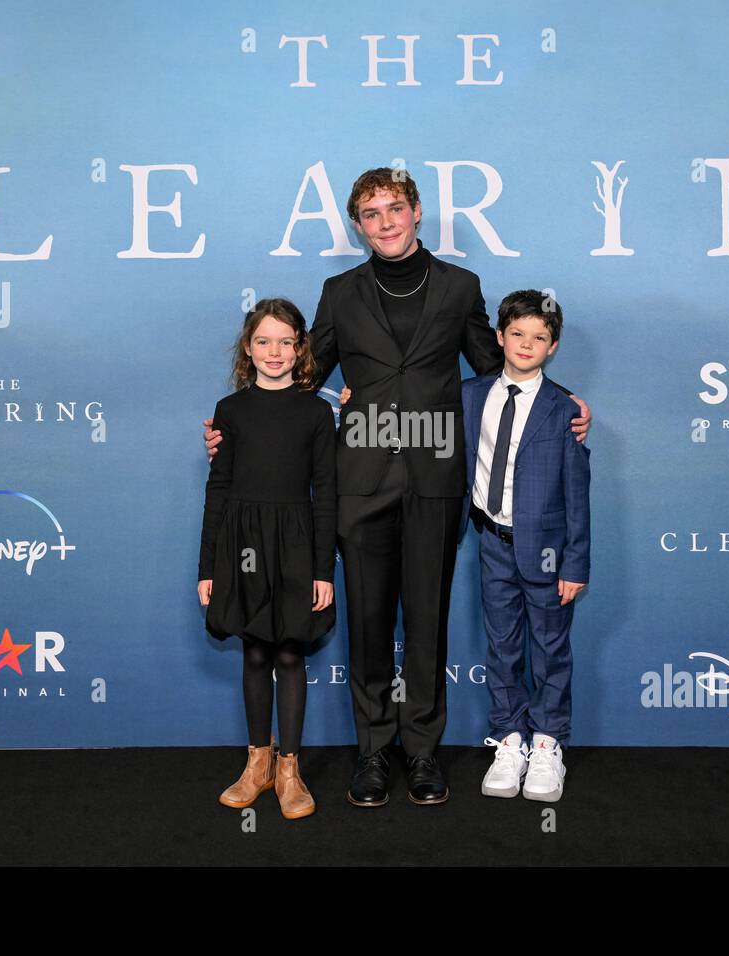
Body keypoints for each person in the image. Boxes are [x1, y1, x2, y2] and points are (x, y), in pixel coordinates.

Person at [206, 168, 591, 808]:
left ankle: (421, 753)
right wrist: (238, 431)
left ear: (416, 212)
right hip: (359, 482)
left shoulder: (461, 286)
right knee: (367, 623)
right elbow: (301, 378)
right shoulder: (339, 291)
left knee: (427, 622)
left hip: (438, 482)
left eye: (394, 209)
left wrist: (560, 401)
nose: (384, 222)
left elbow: (502, 363)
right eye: (370, 213)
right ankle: (373, 753)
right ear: (358, 225)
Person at [197, 298, 337, 820]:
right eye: (263, 341)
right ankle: (257, 762)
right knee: (255, 651)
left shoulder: (317, 412)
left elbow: (327, 493)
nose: (273, 351)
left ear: (300, 347)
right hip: (241, 546)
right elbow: (218, 488)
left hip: (296, 545)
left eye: (285, 341)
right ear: (247, 348)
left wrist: (324, 569)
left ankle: (289, 769)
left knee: (289, 654)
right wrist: (208, 567)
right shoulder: (230, 411)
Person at [463, 290, 590, 802]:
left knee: (551, 648)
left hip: (548, 551)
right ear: (499, 337)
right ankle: (510, 738)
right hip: (492, 540)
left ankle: (547, 742)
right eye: (517, 334)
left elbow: (578, 493)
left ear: (553, 346)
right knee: (503, 645)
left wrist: (575, 561)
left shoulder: (564, 409)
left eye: (539, 337)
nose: (526, 343)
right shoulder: (471, 395)